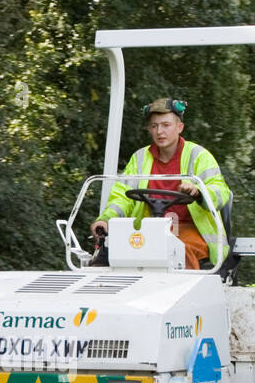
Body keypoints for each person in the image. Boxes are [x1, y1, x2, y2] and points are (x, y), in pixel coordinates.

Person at [90, 98, 232, 269]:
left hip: (192, 229)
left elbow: (220, 190)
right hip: (150, 229)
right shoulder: (140, 158)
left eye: (166, 125)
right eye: (154, 126)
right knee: (117, 254)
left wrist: (198, 191)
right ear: (149, 129)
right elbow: (122, 196)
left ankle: (179, 294)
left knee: (176, 250)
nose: (160, 131)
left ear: (179, 127)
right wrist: (106, 220)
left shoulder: (199, 155)